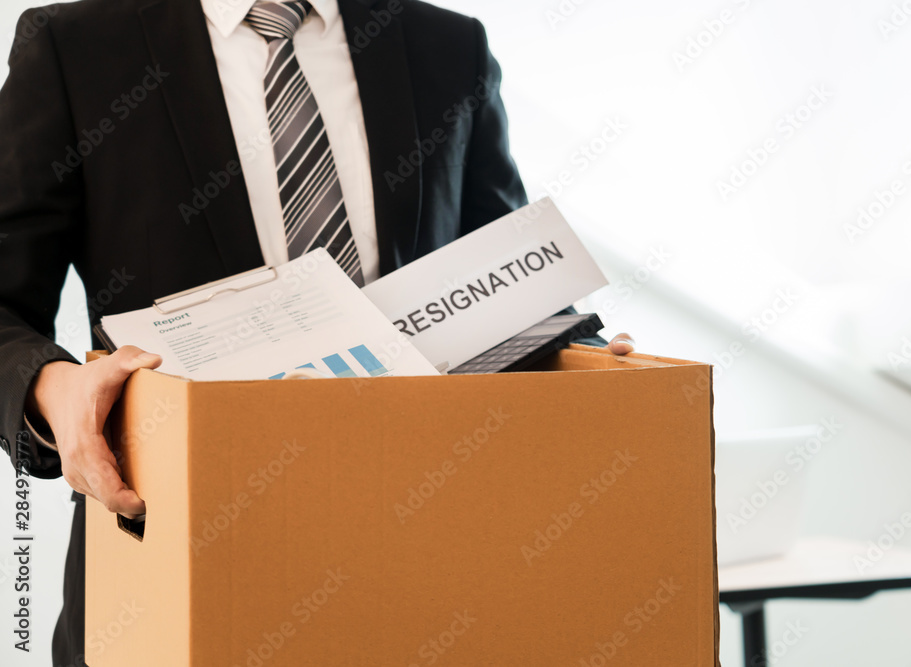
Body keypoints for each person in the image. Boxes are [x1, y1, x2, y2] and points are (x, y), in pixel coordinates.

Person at [0, 0, 635, 664]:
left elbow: (502, 288)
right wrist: (52, 388)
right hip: (173, 552)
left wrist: (583, 373)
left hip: (429, 558)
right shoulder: (77, 47)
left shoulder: (447, 45)